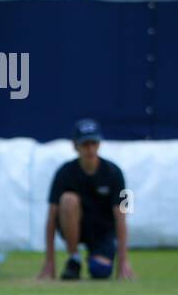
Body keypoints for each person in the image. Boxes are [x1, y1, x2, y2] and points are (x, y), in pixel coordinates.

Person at [38, 119, 134, 281]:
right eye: (85, 144)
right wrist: (49, 261)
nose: (90, 149)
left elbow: (122, 216)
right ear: (75, 146)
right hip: (75, 227)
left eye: (94, 143)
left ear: (99, 144)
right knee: (68, 199)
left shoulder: (116, 173)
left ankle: (95, 257)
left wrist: (124, 261)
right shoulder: (63, 173)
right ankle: (74, 258)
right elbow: (51, 218)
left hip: (103, 231)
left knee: (100, 271)